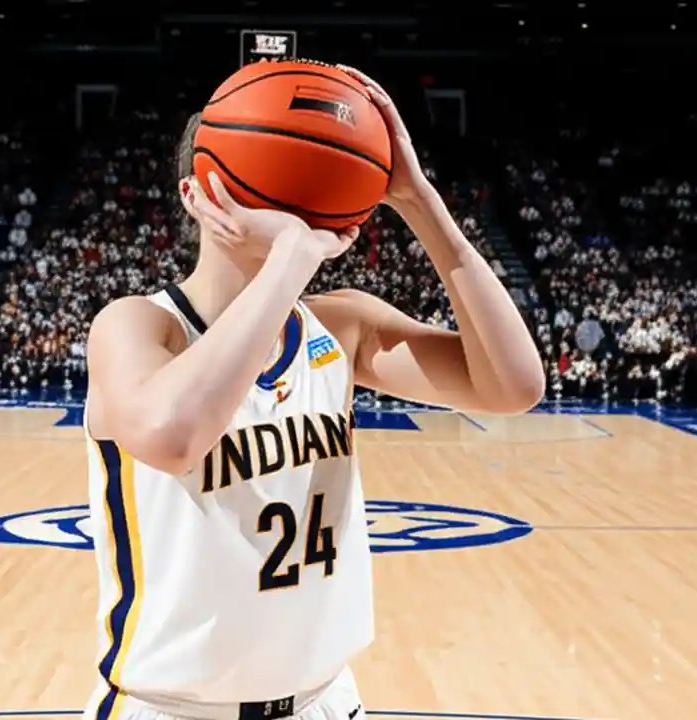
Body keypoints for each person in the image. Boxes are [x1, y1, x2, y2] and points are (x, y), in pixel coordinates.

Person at [81, 65, 544, 720]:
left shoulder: (341, 326)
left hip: (327, 700)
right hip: (174, 708)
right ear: (195, 194)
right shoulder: (138, 326)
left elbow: (515, 385)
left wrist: (417, 200)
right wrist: (292, 255)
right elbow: (173, 436)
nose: (290, 193)